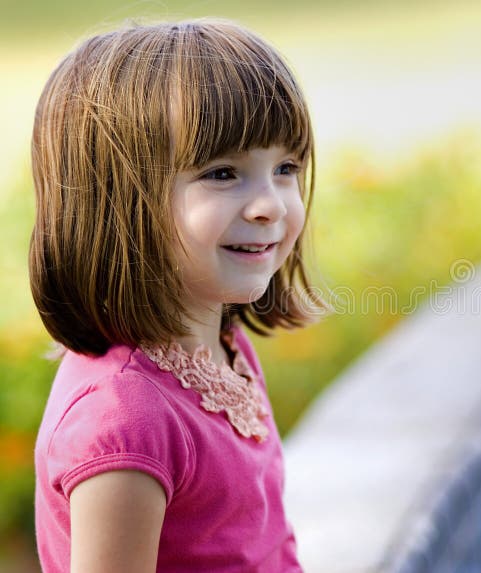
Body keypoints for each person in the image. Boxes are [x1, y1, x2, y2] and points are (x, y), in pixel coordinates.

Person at [29, 18, 328, 572]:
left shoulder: (218, 341)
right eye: (222, 173)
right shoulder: (124, 422)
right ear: (117, 202)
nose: (271, 205)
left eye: (285, 168)